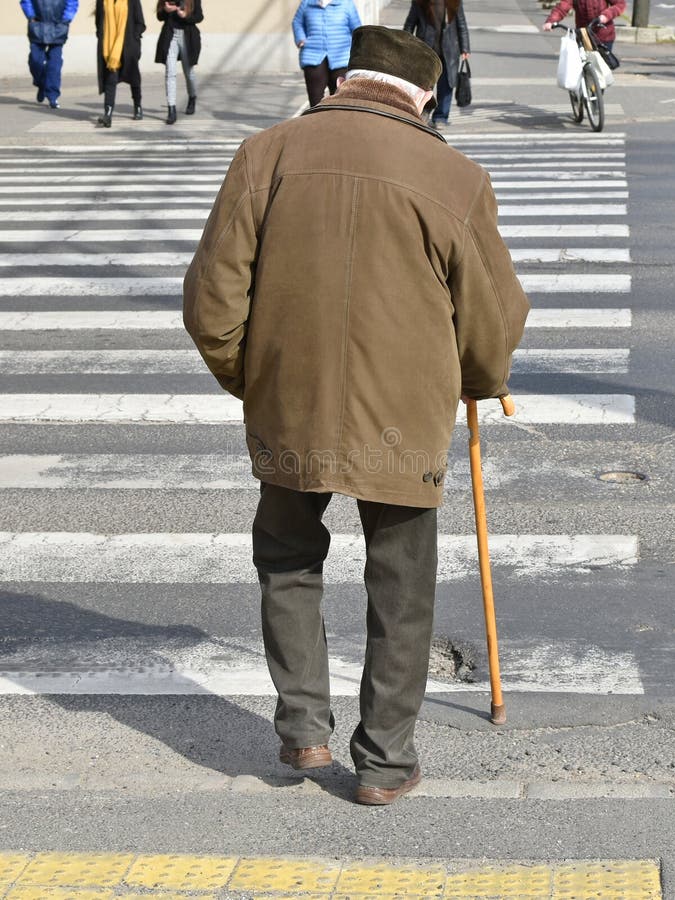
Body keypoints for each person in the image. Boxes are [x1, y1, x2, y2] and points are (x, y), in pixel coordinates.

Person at [184, 25, 529, 806]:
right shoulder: (454, 176)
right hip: (403, 412)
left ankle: (303, 728)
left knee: (286, 559)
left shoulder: (263, 155)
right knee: (401, 587)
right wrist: (479, 378)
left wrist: (257, 380)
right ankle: (381, 763)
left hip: (288, 401)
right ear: (424, 98)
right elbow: (490, 322)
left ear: (345, 78)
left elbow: (211, 305)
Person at [404, 0, 469, 129]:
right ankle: (423, 113)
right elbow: (410, 24)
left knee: (446, 86)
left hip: (449, 51)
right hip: (426, 50)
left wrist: (465, 48)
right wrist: (405, 45)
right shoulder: (419, 3)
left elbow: (461, 24)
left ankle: (441, 117)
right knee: (424, 86)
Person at [292, 0, 361, 108]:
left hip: (341, 58)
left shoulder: (347, 4)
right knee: (315, 101)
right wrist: (300, 38)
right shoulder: (307, 3)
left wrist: (357, 50)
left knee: (339, 99)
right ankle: (317, 123)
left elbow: (357, 29)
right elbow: (297, 22)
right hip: (312, 55)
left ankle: (337, 124)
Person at [19, 0, 79, 110]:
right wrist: (31, 16)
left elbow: (72, 3)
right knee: (35, 60)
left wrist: (66, 19)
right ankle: (41, 83)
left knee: (54, 65)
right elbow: (26, 1)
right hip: (37, 25)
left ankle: (52, 96)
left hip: (58, 26)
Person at [95, 0, 145, 127]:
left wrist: (134, 37)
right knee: (110, 80)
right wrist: (102, 37)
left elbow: (140, 23)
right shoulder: (102, 1)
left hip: (128, 45)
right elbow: (99, 22)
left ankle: (137, 106)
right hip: (110, 47)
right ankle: (108, 114)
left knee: (134, 78)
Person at [155, 0, 204, 126]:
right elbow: (159, 16)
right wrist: (166, 11)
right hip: (170, 35)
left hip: (187, 36)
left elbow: (199, 16)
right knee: (170, 73)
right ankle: (171, 109)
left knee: (189, 73)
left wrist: (185, 16)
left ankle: (192, 97)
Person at [543, 0, 626, 50]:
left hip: (603, 35)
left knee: (602, 70)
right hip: (583, 35)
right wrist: (551, 21)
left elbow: (620, 4)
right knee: (581, 68)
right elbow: (563, 6)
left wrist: (606, 16)